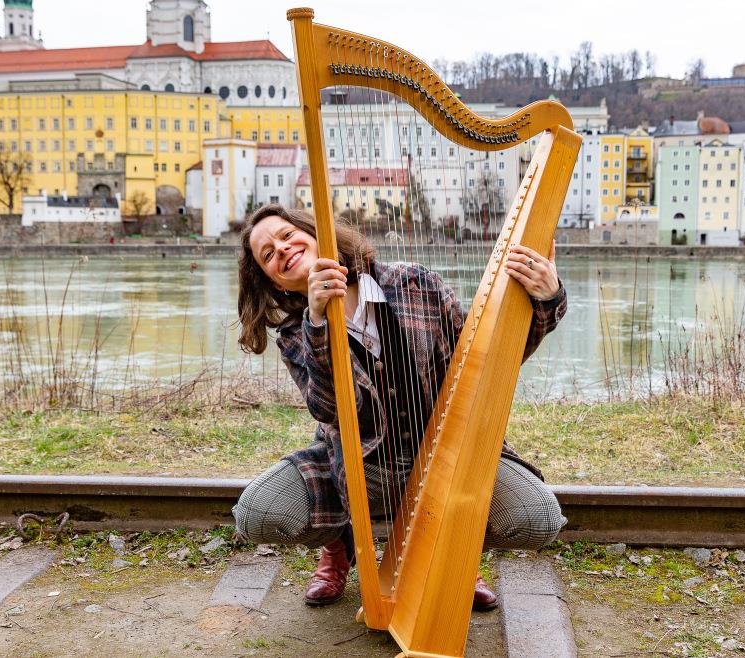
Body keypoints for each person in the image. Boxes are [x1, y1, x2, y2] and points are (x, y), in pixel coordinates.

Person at [233, 204, 567, 610]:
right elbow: (328, 408)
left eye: (286, 236)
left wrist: (547, 298)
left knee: (538, 519)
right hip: (360, 468)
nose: (281, 250)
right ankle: (340, 543)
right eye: (267, 254)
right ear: (275, 283)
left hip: (449, 458)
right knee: (257, 513)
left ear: (317, 231)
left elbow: (488, 361)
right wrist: (318, 320)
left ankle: (451, 549)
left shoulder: (415, 283)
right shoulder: (296, 332)